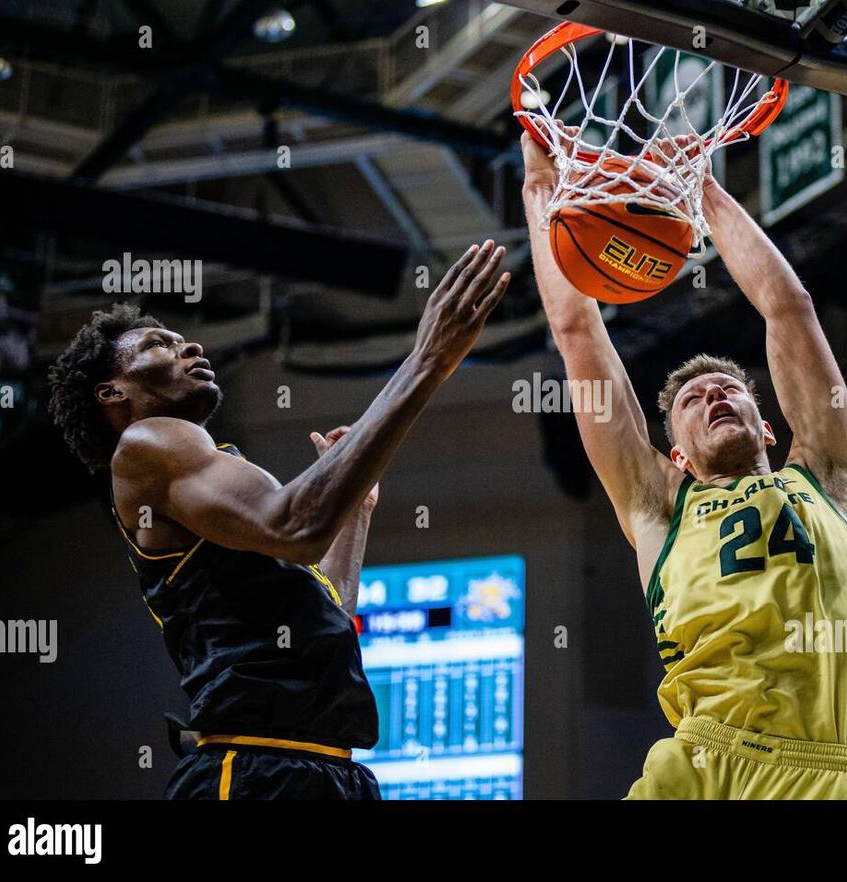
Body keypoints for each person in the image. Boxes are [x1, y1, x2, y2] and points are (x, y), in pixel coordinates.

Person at [48, 242, 510, 799]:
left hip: (327, 768)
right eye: (158, 345)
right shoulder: (147, 444)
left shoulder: (210, 481)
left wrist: (355, 518)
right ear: (112, 392)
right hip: (251, 767)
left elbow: (324, 610)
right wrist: (427, 360)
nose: (189, 344)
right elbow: (297, 528)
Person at [521, 133, 847, 799]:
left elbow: (789, 309)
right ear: (678, 457)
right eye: (693, 399)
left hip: (827, 775)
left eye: (730, 392)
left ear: (769, 429)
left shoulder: (828, 481)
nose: (714, 394)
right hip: (702, 763)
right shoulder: (659, 508)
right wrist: (545, 200)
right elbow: (578, 335)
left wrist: (705, 194)